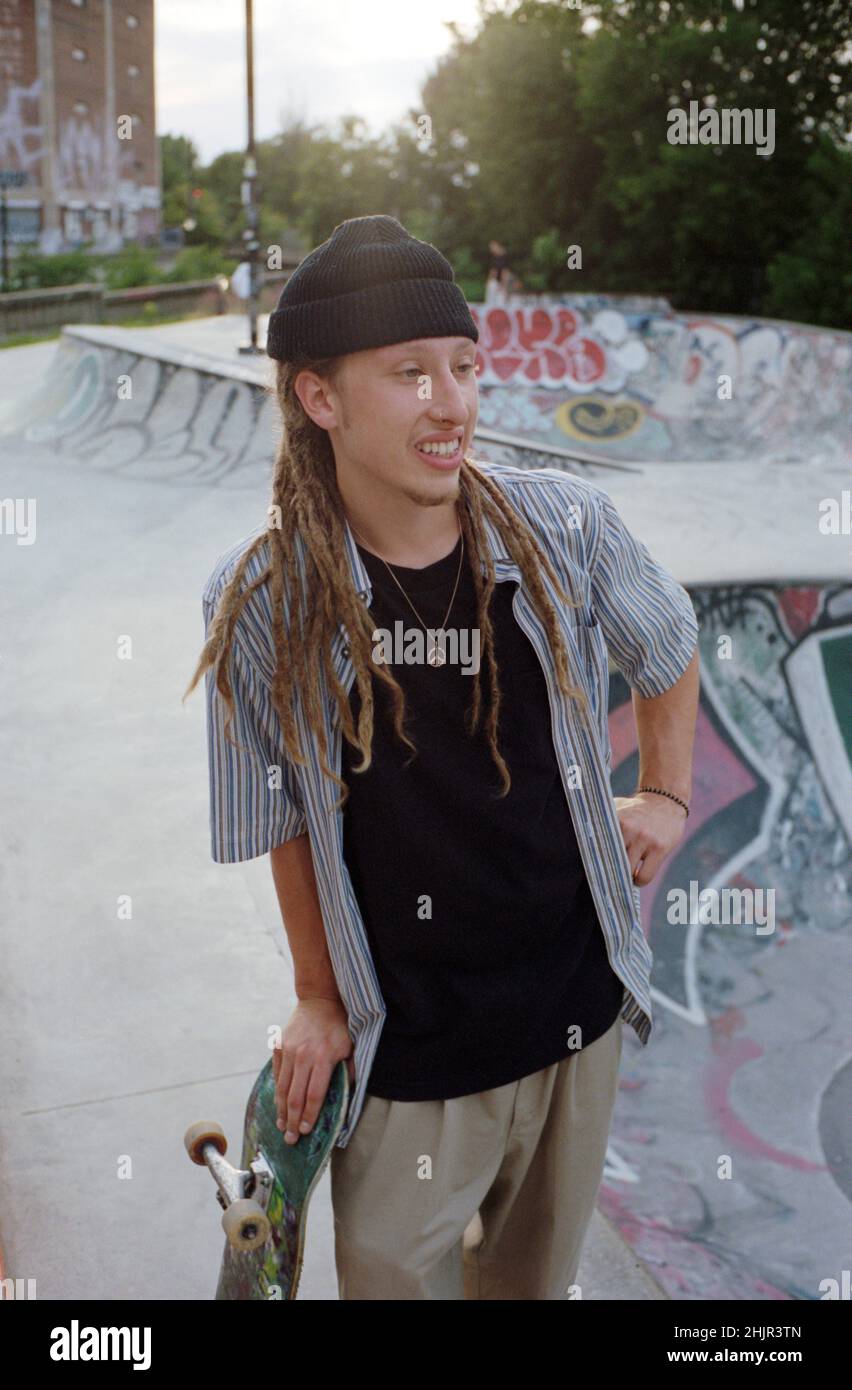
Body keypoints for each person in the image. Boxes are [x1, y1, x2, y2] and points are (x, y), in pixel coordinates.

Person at [185, 214, 700, 1299]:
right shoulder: (265, 604)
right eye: (411, 373)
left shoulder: (566, 528)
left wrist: (664, 790)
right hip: (407, 1062)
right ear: (320, 397)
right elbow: (282, 819)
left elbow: (671, 645)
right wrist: (317, 999)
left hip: (572, 1022)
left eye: (464, 368)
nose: (452, 402)